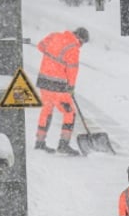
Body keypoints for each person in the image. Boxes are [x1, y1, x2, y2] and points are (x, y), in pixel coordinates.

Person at [34, 27, 89, 156]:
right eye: (82, 43)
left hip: (43, 81)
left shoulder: (54, 35)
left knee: (46, 110)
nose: (81, 46)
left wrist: (52, 59)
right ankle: (63, 144)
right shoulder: (73, 48)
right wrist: (71, 86)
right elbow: (72, 70)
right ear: (80, 39)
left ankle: (39, 142)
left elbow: (40, 46)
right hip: (58, 85)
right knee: (69, 112)